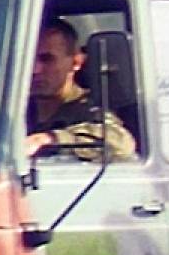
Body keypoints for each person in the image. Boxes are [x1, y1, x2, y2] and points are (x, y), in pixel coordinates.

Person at [25, 19, 137, 162]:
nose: (35, 70)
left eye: (47, 59)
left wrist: (51, 139)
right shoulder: (12, 111)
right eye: (28, 59)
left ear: (76, 62)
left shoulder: (88, 108)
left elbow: (121, 144)